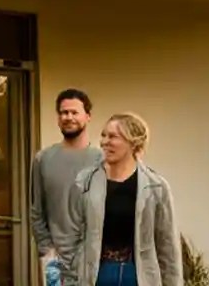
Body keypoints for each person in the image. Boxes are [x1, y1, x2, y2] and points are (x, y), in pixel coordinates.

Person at [65, 113, 181, 286]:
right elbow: (70, 239)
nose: (105, 142)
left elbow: (168, 247)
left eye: (113, 136)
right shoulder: (84, 182)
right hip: (96, 275)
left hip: (138, 276)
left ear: (132, 142)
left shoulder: (156, 187)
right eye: (103, 135)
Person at [30, 89, 102, 285]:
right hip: (55, 264)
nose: (68, 117)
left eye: (74, 112)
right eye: (63, 112)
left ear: (87, 116)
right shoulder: (42, 159)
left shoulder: (102, 161)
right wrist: (47, 250)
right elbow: (36, 210)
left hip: (93, 262)